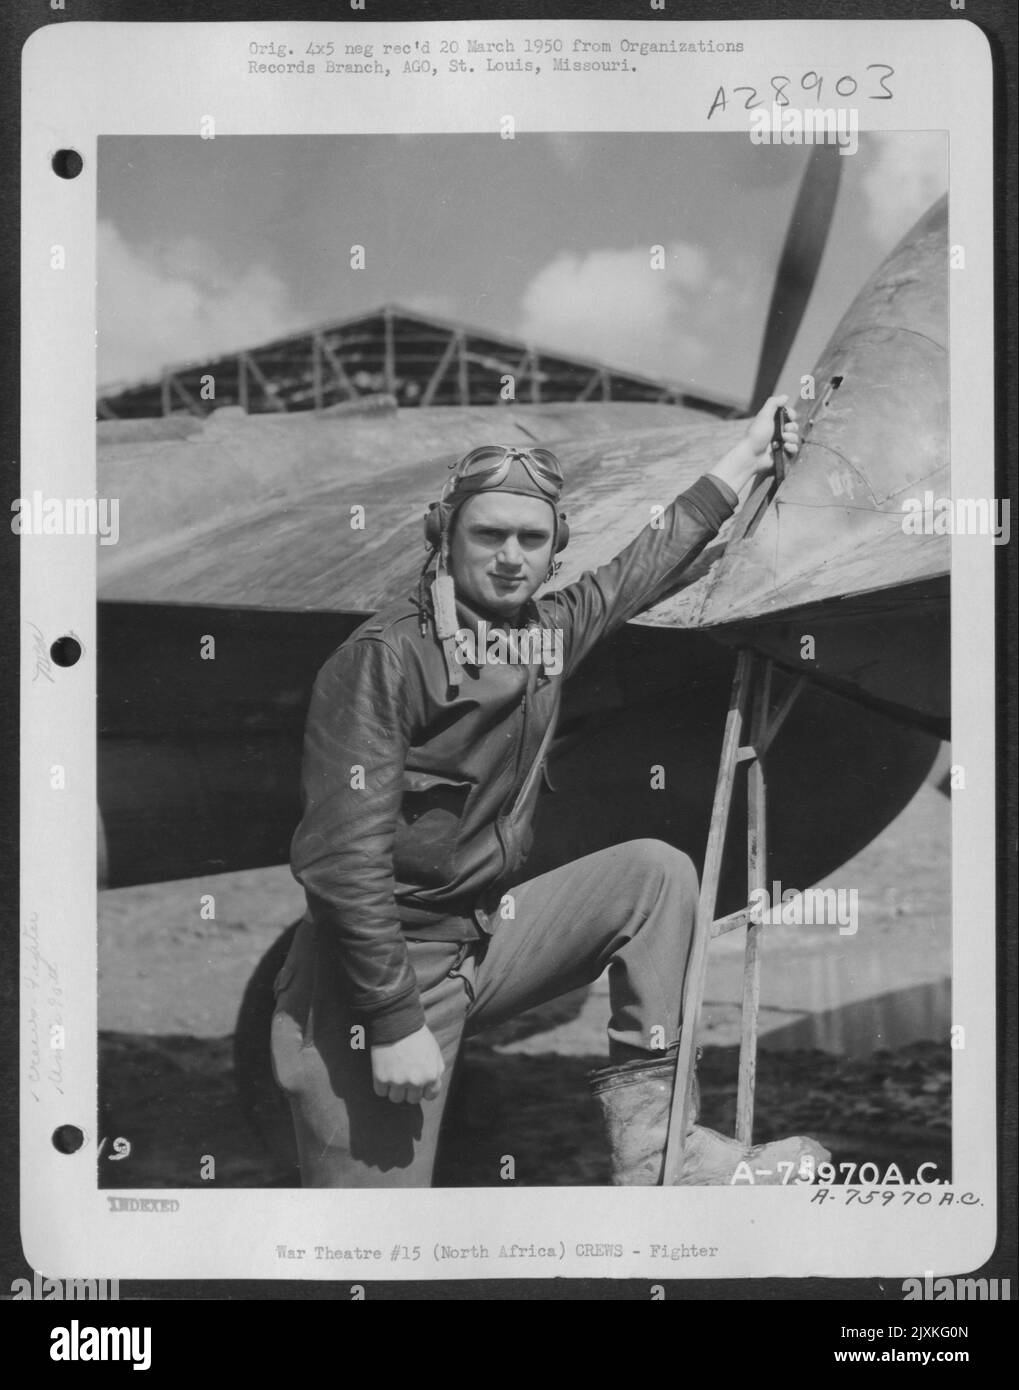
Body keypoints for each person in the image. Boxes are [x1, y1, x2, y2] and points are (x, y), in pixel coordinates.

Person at [270, 395, 830, 1187]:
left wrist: (746, 458)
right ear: (444, 538)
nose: (509, 556)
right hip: (370, 983)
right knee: (371, 1248)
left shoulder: (541, 635)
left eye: (531, 539)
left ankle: (656, 1152)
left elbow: (641, 565)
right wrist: (393, 1024)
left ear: (554, 548)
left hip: (481, 941)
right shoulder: (382, 661)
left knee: (653, 874)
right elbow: (338, 864)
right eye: (488, 535)